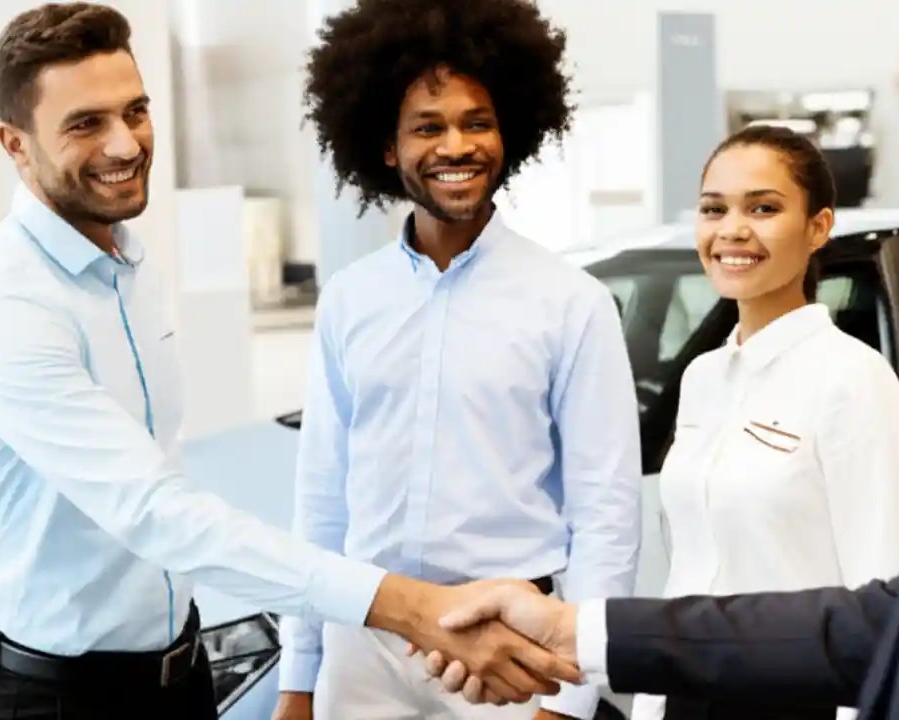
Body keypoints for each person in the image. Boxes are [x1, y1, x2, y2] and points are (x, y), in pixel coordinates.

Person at [418, 0, 899, 717]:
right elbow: (847, 613)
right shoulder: (703, 376)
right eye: (713, 208)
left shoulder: (866, 382)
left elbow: (874, 613)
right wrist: (580, 635)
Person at [0, 4, 577, 719]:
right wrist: (412, 609)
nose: (125, 143)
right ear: (15, 145)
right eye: (86, 124)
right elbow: (157, 514)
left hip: (179, 674)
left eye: (136, 110)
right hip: (57, 698)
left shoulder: (130, 270)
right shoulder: (4, 307)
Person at [274, 1, 643, 719]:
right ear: (387, 147)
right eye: (428, 126)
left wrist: (571, 697)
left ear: (511, 133)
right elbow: (321, 503)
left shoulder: (571, 303)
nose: (457, 145)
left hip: (508, 641)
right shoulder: (349, 301)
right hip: (367, 636)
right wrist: (299, 677)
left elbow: (606, 514)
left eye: (478, 122)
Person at [626, 126, 899, 720]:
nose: (732, 230)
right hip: (688, 691)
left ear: (819, 227)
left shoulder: (852, 378)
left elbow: (882, 590)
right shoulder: (702, 377)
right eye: (714, 209)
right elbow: (688, 569)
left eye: (763, 208)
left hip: (794, 699)